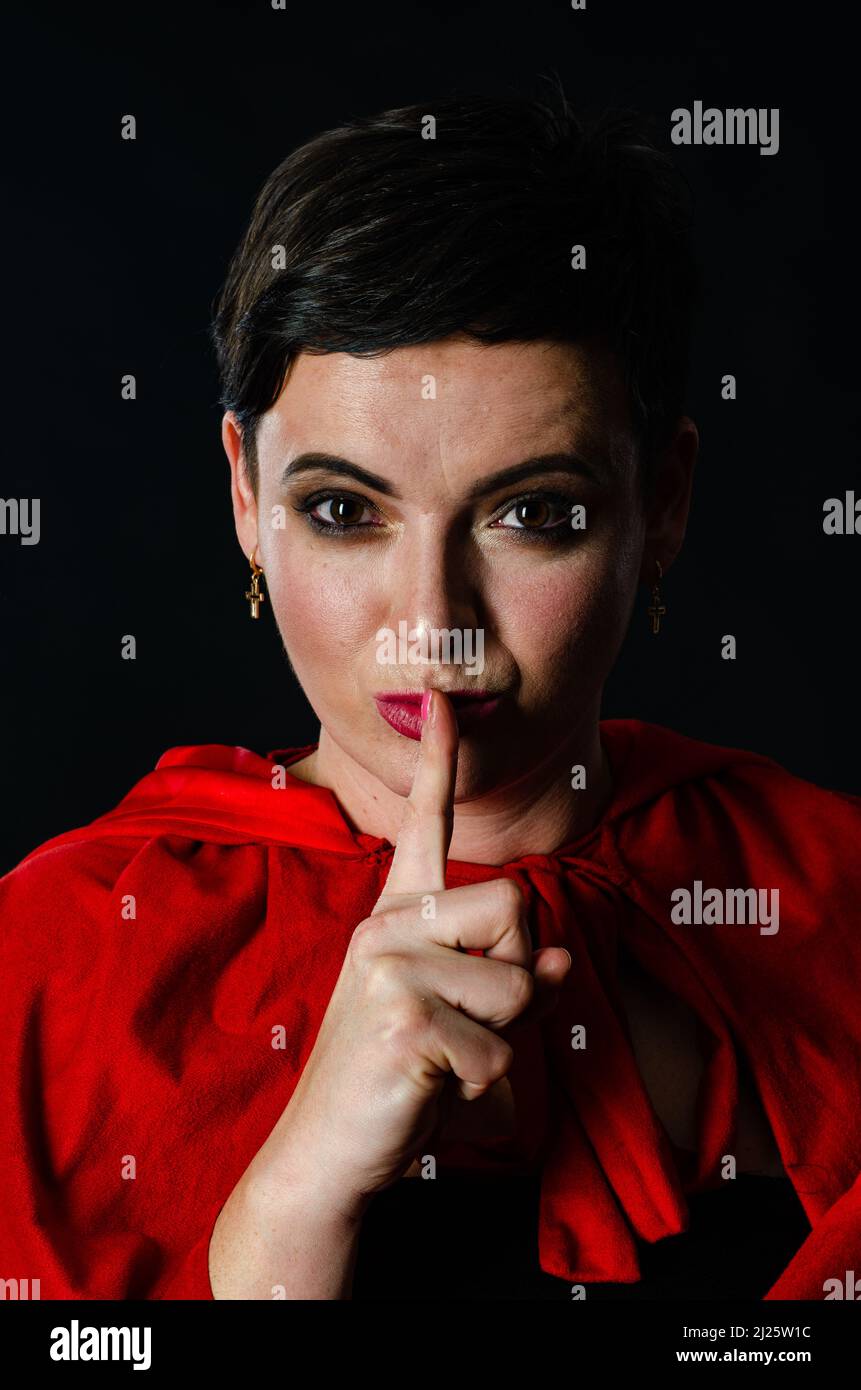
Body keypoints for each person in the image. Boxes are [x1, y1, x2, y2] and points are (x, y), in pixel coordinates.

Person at [1, 87, 859, 1302]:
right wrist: (290, 1206)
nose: (433, 622)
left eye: (533, 513)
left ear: (662, 502)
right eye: (344, 511)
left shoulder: (832, 893)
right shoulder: (40, 965)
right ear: (247, 497)